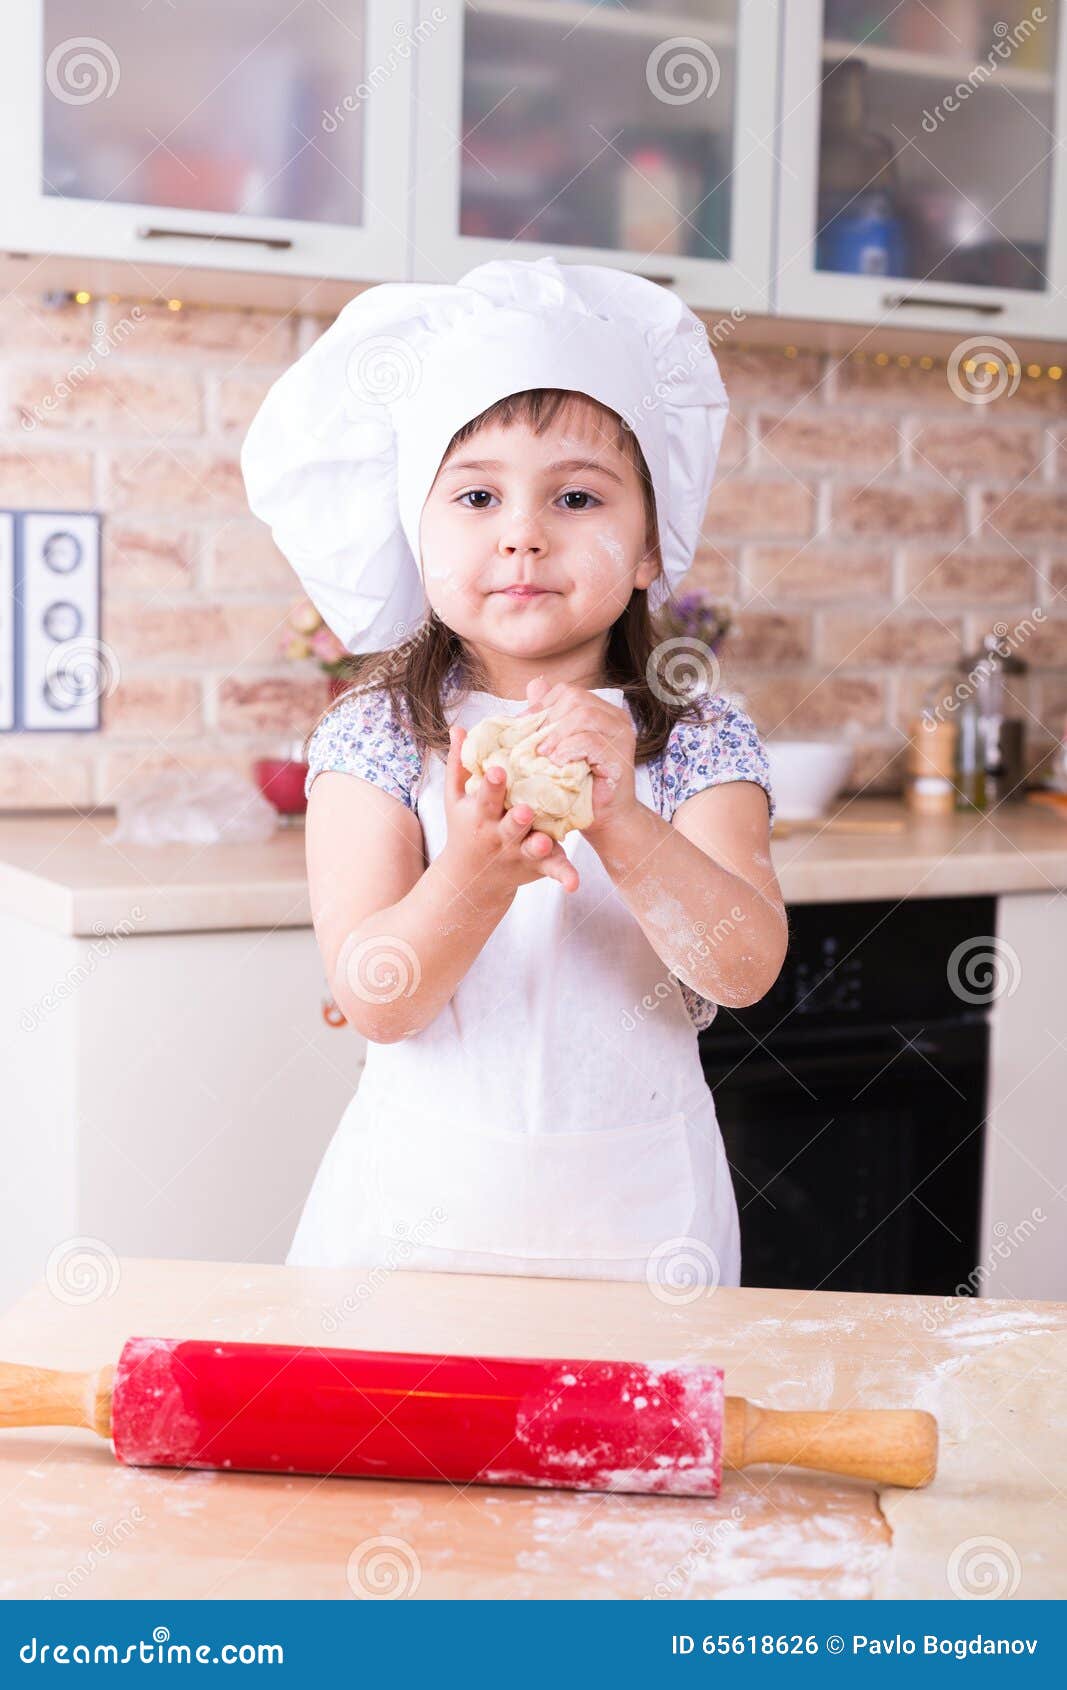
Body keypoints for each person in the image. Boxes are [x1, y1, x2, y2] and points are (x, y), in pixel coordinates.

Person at [241, 256, 787, 1290]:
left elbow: (742, 966)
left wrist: (620, 816)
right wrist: (476, 874)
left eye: (576, 496)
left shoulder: (696, 736)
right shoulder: (378, 736)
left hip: (642, 1233)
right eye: (478, 494)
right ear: (419, 526)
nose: (524, 532)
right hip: (410, 1226)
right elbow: (377, 1000)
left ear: (645, 547)